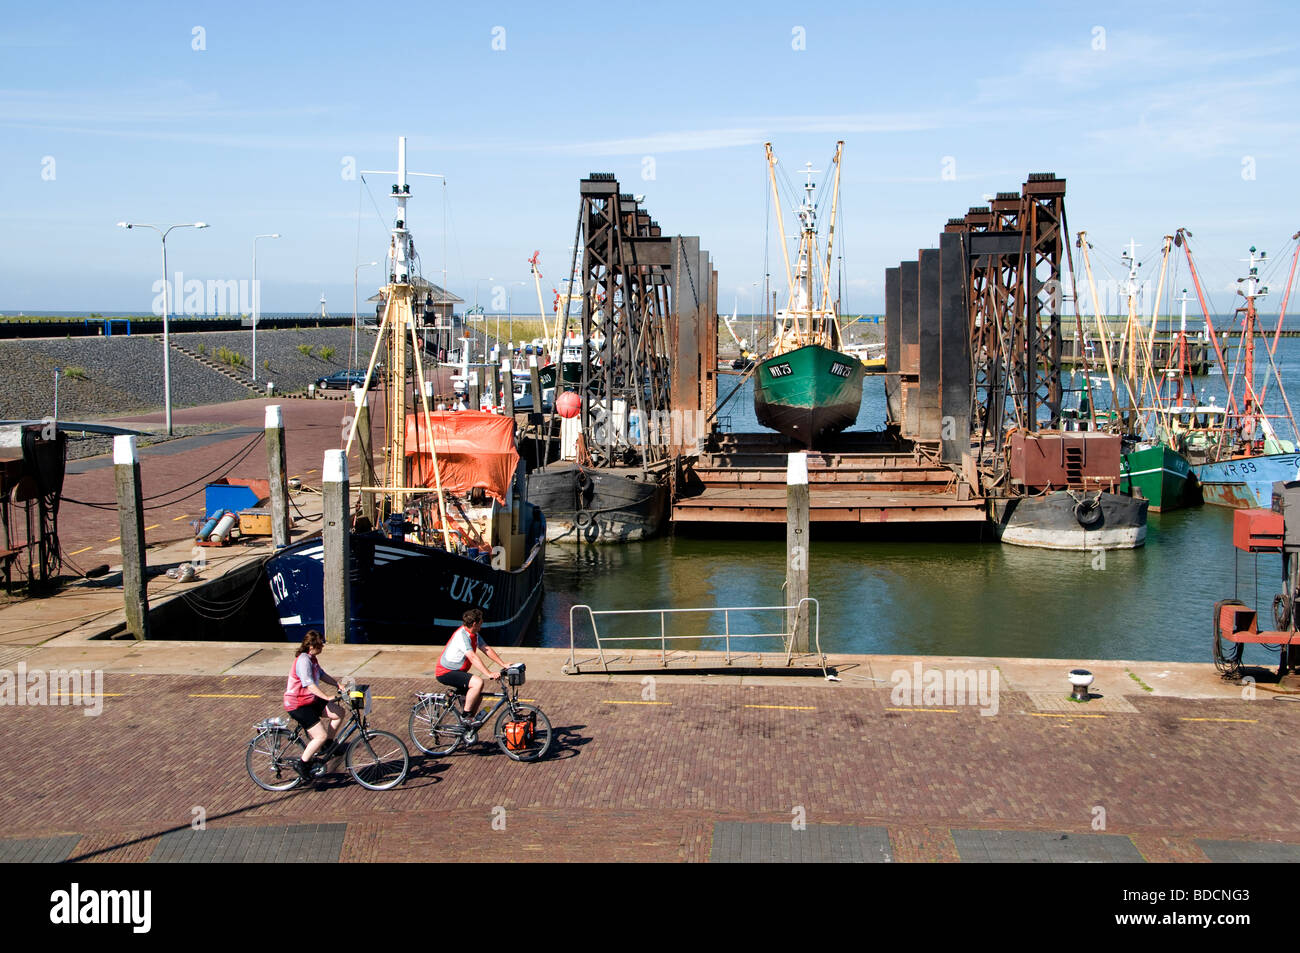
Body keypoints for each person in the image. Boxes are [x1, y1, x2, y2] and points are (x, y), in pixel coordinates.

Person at [283, 630, 346, 780]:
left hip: (309, 699)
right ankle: (302, 764)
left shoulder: (312, 658)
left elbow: (322, 674)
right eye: (320, 645)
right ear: (311, 646)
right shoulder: (303, 660)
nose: (322, 647)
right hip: (298, 704)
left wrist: (337, 684)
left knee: (338, 713)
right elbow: (309, 684)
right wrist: (326, 697)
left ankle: (327, 745)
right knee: (320, 735)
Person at [435, 608, 507, 732]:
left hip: (457, 671)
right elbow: (472, 657)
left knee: (477, 696)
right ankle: (466, 717)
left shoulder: (474, 634)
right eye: (481, 622)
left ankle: (467, 729)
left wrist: (503, 664)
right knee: (477, 683)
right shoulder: (462, 636)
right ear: (474, 624)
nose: (482, 624)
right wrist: (488, 673)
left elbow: (486, 648)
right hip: (446, 672)